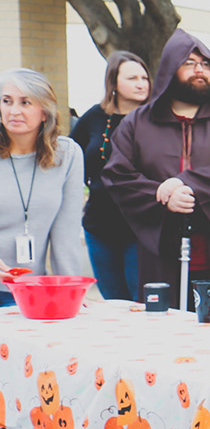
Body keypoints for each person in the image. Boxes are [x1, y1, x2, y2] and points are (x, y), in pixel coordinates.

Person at [102, 28, 210, 322]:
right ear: (170, 68)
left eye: (206, 64)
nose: (200, 70)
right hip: (164, 255)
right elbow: (118, 175)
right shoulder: (138, 123)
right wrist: (163, 196)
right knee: (167, 341)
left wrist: (188, 184)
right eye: (189, 63)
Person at [0, 67, 87, 429]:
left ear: (44, 110)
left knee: (24, 381)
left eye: (25, 102)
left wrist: (82, 297)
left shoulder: (67, 154)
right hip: (3, 282)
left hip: (33, 291)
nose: (14, 110)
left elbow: (68, 230)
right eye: (6, 100)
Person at [70, 50, 151, 300]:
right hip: (99, 225)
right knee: (113, 301)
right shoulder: (94, 117)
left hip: (141, 227)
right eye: (132, 78)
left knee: (140, 302)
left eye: (144, 78)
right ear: (113, 82)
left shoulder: (155, 120)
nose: (140, 84)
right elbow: (72, 160)